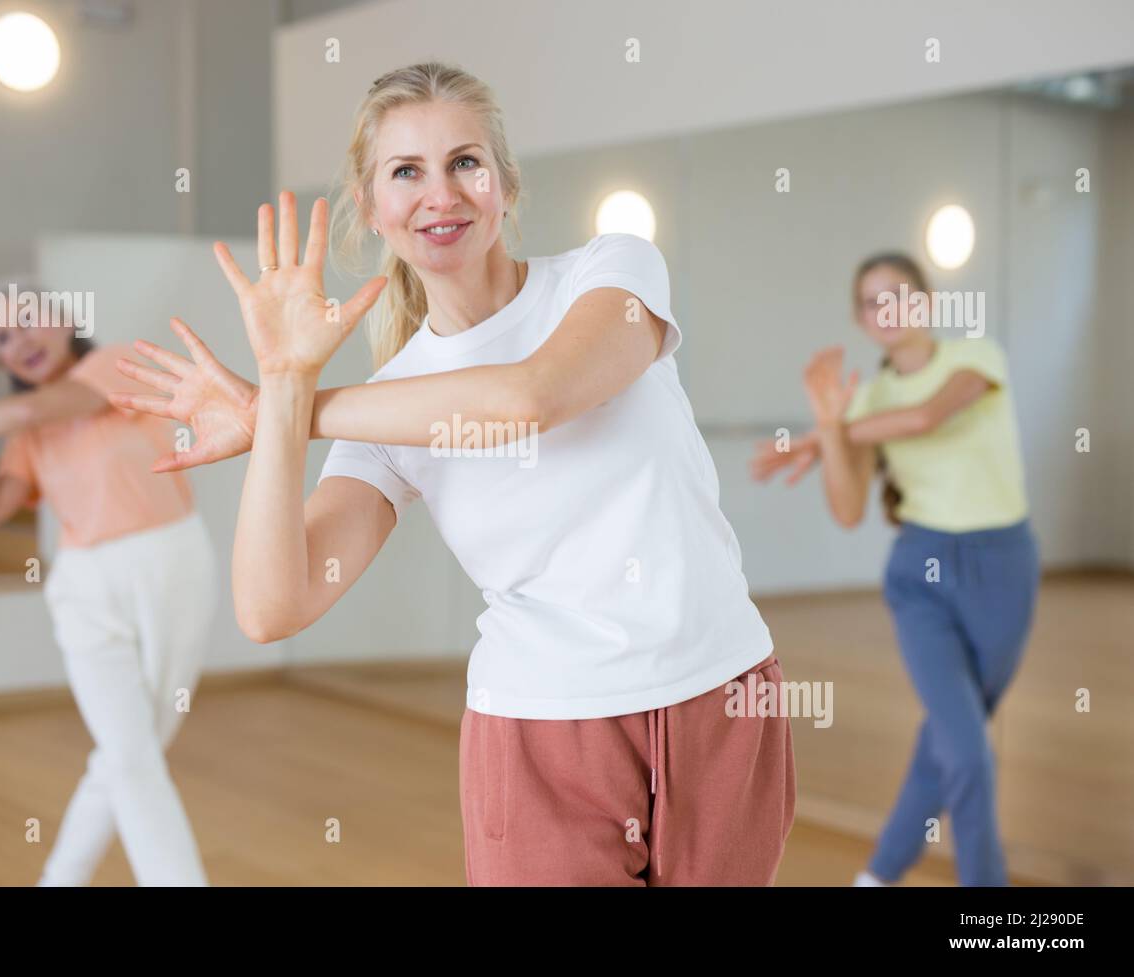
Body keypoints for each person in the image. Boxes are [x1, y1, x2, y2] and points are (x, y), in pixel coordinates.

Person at [114, 61, 794, 885]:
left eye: (464, 162)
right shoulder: (388, 407)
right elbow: (272, 605)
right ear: (372, 207)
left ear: (504, 182)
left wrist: (280, 410)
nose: (441, 194)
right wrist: (285, 390)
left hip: (722, 698)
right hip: (542, 731)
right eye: (406, 172)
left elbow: (530, 397)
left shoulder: (611, 272)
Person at [0, 280, 216, 886]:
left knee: (127, 756)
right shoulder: (24, 431)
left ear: (64, 318)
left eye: (28, 319)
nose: (21, 340)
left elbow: (30, 408)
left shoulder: (109, 364)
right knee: (129, 754)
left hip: (168, 563)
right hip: (83, 589)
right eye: (2, 338)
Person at [751, 252, 1039, 886]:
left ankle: (877, 876)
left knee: (949, 740)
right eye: (870, 301)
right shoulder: (866, 402)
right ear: (860, 319)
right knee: (966, 751)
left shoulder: (976, 358)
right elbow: (849, 510)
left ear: (927, 301)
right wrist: (830, 430)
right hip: (922, 578)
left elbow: (926, 416)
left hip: (1005, 571)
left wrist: (823, 433)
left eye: (897, 295)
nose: (885, 310)